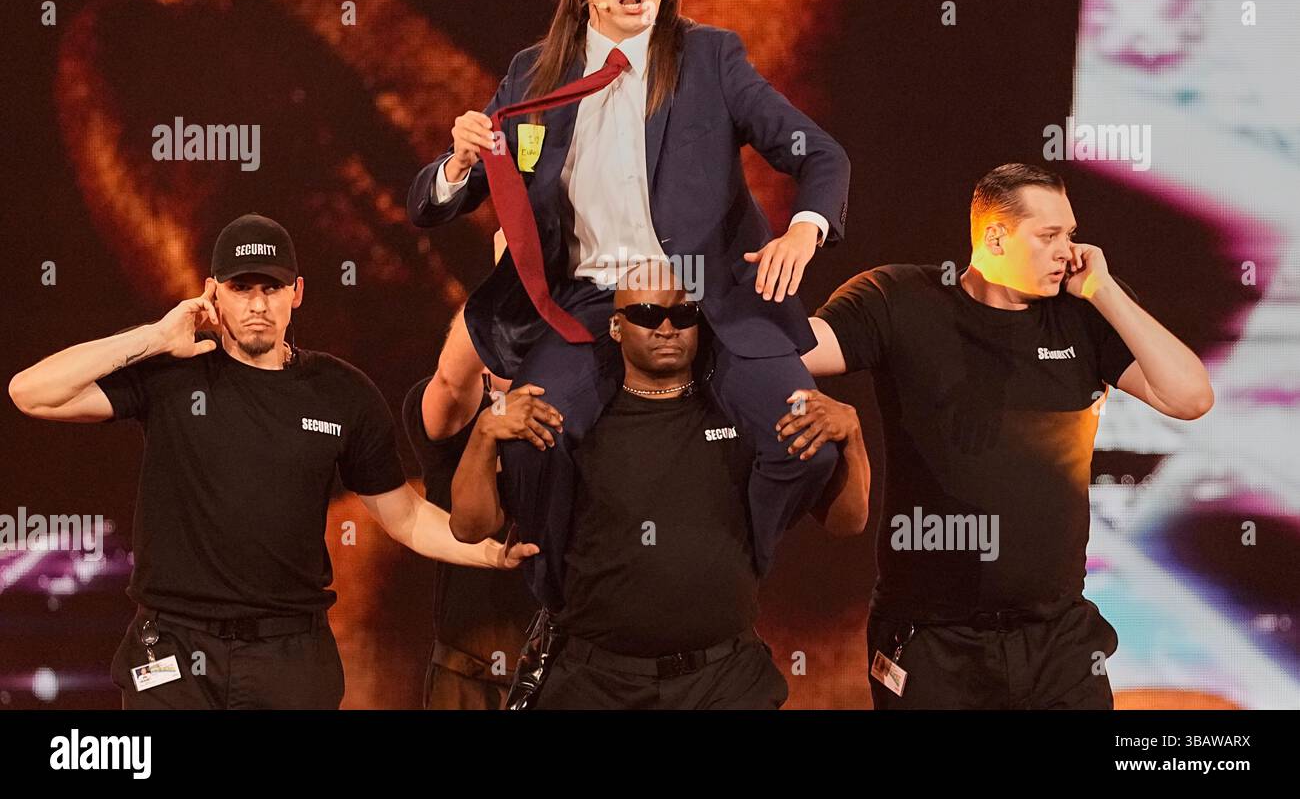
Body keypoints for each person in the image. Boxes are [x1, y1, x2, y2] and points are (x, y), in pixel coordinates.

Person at [407, 0, 852, 610]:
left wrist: (804, 231)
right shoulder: (534, 75)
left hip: (712, 296)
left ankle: (738, 563)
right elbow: (433, 203)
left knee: (810, 450)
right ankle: (562, 607)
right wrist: (459, 164)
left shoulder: (711, 59)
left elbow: (820, 156)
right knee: (527, 448)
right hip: (586, 303)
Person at [7, 213, 534, 709]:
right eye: (240, 287)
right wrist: (154, 338)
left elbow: (405, 516)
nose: (257, 304)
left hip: (290, 655)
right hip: (173, 651)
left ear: (297, 293)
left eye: (271, 287)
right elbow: (31, 393)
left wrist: (488, 553)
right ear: (212, 292)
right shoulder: (173, 374)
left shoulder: (342, 393)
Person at [802, 163, 1215, 709]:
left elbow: (1190, 398)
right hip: (933, 640)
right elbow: (794, 353)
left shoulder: (1081, 315)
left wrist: (1105, 289)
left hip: (1059, 638)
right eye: (1049, 236)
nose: (1069, 252)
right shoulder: (899, 298)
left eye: (1070, 233)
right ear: (995, 236)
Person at [451, 265, 869, 709]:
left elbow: (848, 522)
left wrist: (854, 439)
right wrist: (483, 434)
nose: (667, 328)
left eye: (683, 314)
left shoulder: (745, 421)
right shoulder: (569, 426)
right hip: (596, 684)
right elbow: (470, 527)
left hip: (724, 682)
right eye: (647, 315)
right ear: (615, 326)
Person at [402, 304, 538, 709]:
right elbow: (451, 377)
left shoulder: (579, 412)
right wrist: (512, 272)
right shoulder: (454, 417)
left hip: (567, 673)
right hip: (469, 681)